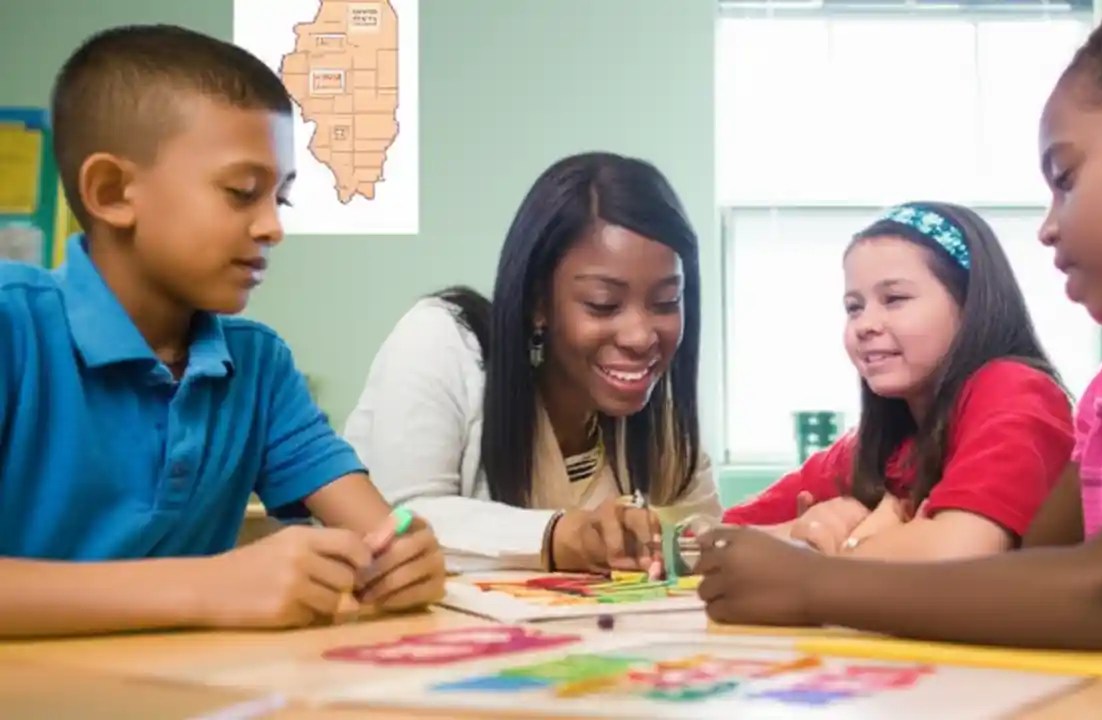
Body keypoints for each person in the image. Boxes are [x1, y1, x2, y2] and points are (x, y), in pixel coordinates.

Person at [694, 2, 1102, 717]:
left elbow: (1101, 595)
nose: (1047, 225)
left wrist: (810, 584)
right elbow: (1026, 577)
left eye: (1065, 178)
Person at [0, 25, 446, 638]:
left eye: (281, 199)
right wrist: (209, 585)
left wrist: (404, 559)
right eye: (242, 193)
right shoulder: (13, 327)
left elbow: (376, 529)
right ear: (111, 192)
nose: (271, 228)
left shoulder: (257, 366)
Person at [343, 152, 721, 574]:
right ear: (538, 301)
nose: (640, 336)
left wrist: (785, 541)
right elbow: (398, 520)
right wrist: (562, 535)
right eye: (603, 304)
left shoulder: (658, 416)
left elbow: (699, 536)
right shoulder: (444, 341)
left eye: (666, 302)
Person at [722, 203, 1073, 562]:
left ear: (970, 304)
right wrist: (797, 534)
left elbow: (960, 551)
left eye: (895, 299)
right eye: (854, 307)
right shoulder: (886, 444)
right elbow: (707, 539)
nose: (864, 324)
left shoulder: (1016, 390)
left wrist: (833, 550)